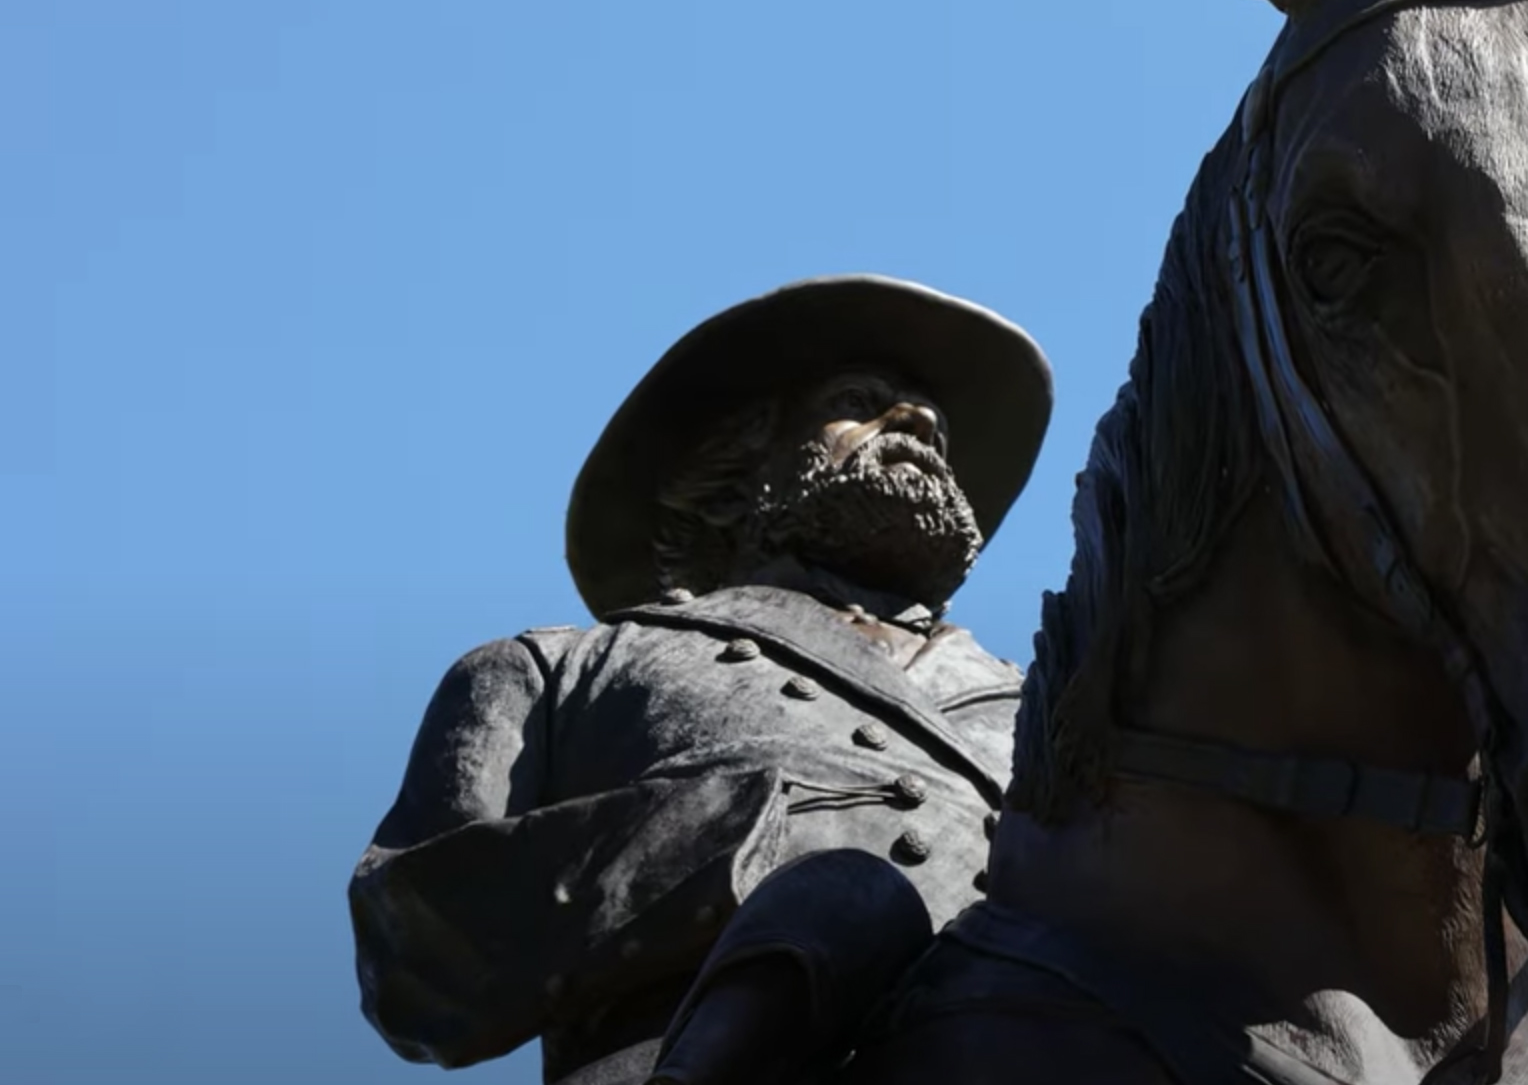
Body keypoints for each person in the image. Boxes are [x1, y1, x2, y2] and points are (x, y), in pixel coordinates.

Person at [349, 275, 1053, 1085]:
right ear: (734, 468)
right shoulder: (556, 672)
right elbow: (414, 948)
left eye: (934, 418)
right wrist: (750, 829)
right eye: (860, 400)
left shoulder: (1059, 707)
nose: (920, 423)